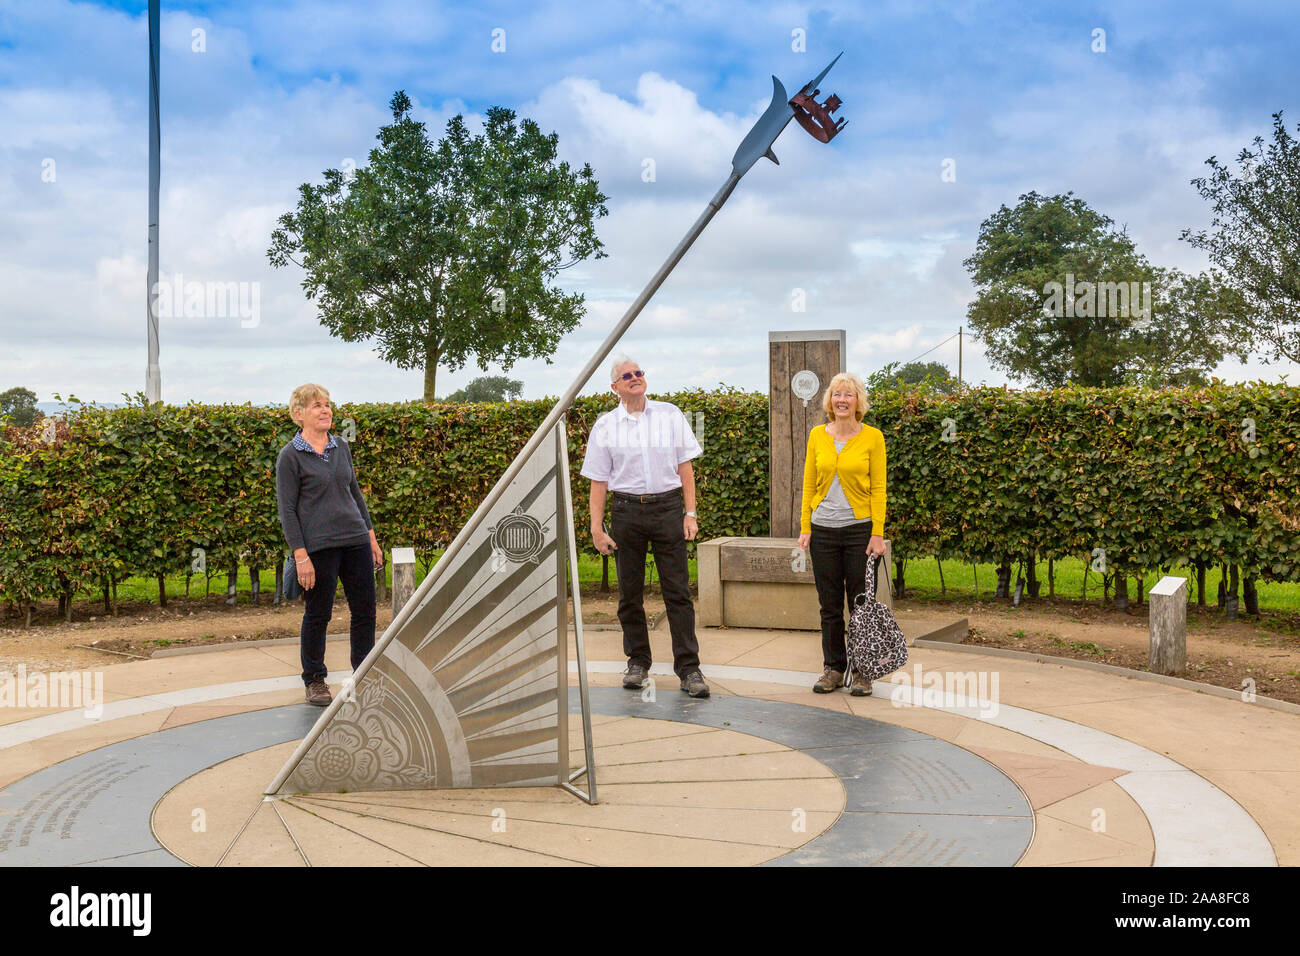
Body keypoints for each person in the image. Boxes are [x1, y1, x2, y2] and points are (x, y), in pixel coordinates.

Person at [581, 355, 710, 698]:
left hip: (668, 509)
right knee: (629, 594)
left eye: (639, 372)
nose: (635, 377)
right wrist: (597, 528)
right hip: (626, 513)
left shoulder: (670, 414)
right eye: (627, 375)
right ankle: (637, 662)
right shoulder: (605, 426)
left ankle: (689, 668)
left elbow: (685, 468)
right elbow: (598, 481)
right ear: (615, 387)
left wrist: (691, 513)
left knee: (678, 593)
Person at [275, 384, 383, 706]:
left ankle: (362, 674)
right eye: (316, 406)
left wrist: (371, 536)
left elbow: (355, 493)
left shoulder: (341, 448)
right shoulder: (290, 456)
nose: (325, 410)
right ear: (299, 415)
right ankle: (314, 680)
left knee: (365, 610)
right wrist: (300, 555)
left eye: (327, 405)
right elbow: (288, 511)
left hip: (355, 542)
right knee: (318, 614)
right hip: (318, 548)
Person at [796, 372, 888, 696]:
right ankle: (833, 668)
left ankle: (862, 672)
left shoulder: (873, 437)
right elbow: (808, 483)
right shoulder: (817, 435)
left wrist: (877, 533)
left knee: (862, 605)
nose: (842, 400)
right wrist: (806, 527)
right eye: (837, 394)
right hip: (823, 531)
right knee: (829, 605)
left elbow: (879, 488)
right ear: (830, 401)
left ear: (858, 401)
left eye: (848, 394)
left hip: (860, 532)